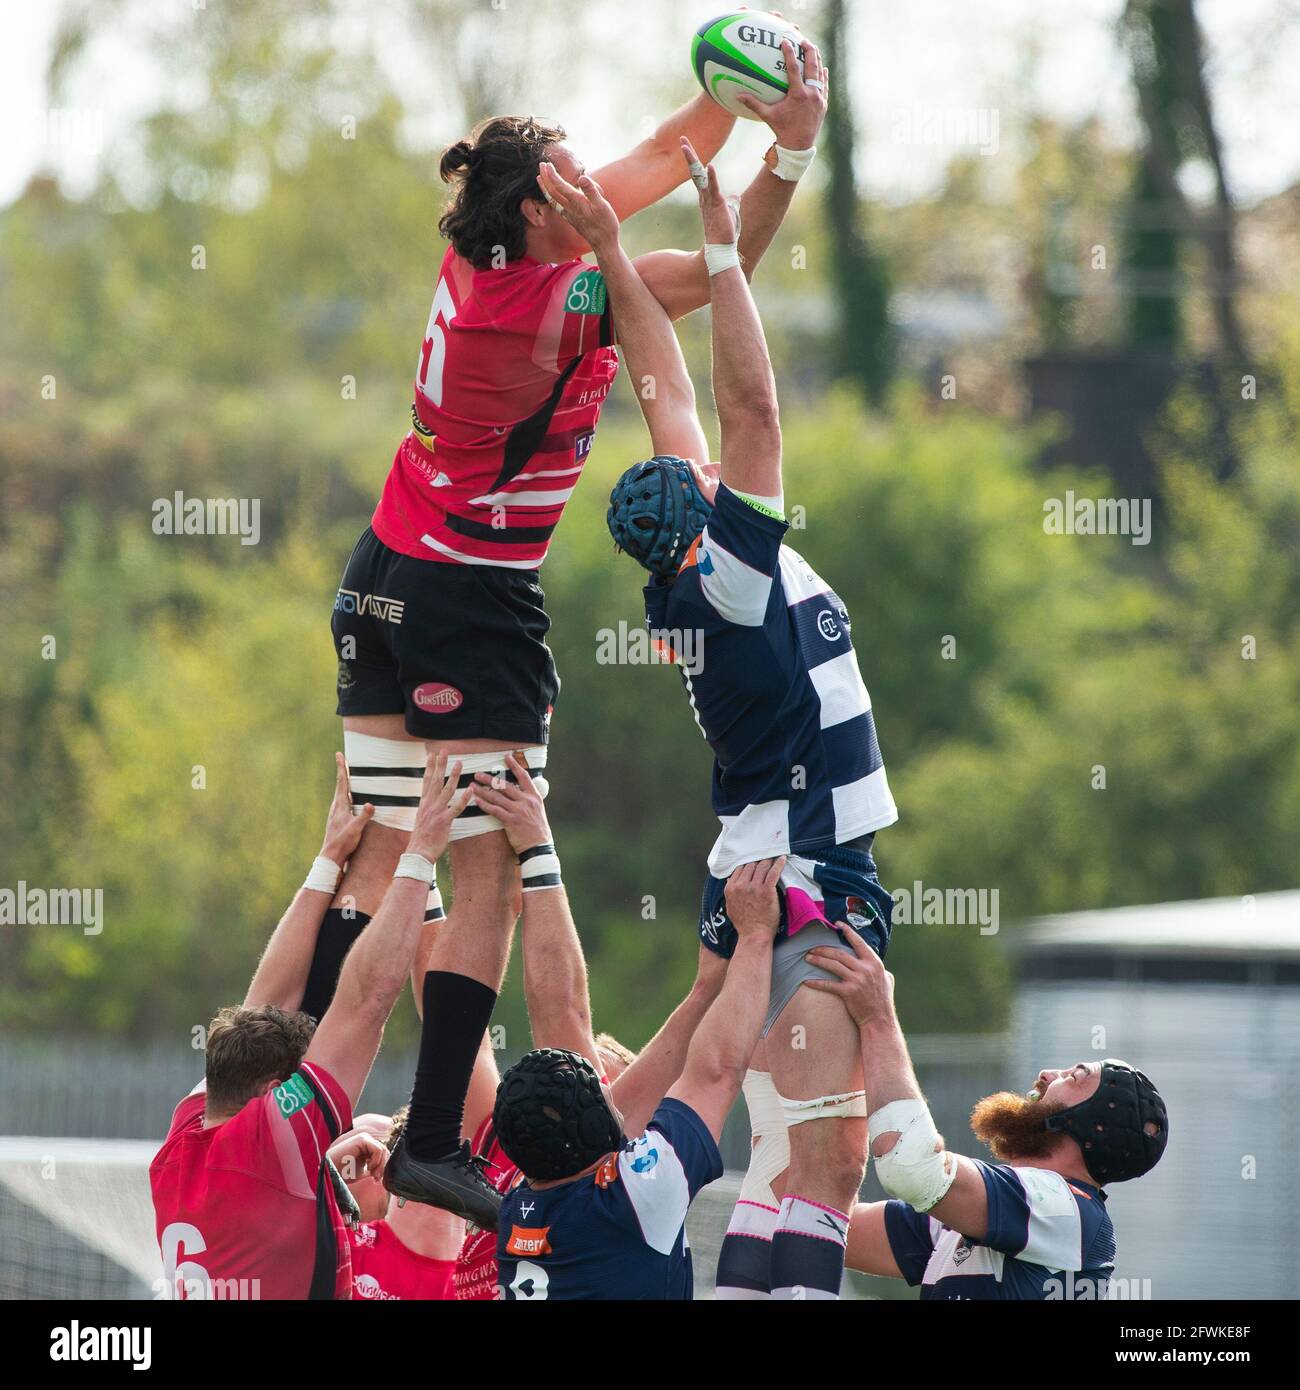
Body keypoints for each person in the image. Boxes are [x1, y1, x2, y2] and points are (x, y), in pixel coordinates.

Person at [334, 49, 829, 1230]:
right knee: (487, 866)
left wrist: (771, 120)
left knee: (379, 856)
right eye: (567, 186)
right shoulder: (555, 293)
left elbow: (666, 165)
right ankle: (439, 1135)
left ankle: (302, 1089)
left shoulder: (497, 250)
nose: (589, 191)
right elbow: (706, 281)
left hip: (383, 577)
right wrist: (779, 147)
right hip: (470, 595)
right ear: (538, 213)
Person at [539, 112, 893, 1299]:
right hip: (806, 863)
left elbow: (666, 381)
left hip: (769, 852)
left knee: (803, 1151)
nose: (701, 456)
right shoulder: (732, 588)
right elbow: (752, 413)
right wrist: (726, 255)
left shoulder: (692, 562)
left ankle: (566, 1185)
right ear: (705, 514)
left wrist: (603, 244)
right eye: (706, 478)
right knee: (816, 1158)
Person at [149, 751, 469, 1300]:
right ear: (274, 1093)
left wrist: (330, 862)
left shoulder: (183, 1143)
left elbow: (270, 1007)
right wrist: (418, 857)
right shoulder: (258, 1138)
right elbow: (363, 1000)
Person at [453, 754, 729, 1299]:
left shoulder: (515, 1175)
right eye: (609, 1085)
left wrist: (419, 861)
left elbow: (493, 1014)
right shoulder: (608, 1189)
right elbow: (563, 1015)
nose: (617, 1091)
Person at [806, 929, 1170, 1300]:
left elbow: (911, 1167)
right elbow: (821, 1228)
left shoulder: (1066, 1207)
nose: (1047, 1075)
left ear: (1093, 1126)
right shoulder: (979, 1217)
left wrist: (878, 1018)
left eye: (1074, 1077)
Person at [491, 858, 784, 1300]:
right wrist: (757, 934)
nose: (612, 1090)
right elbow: (716, 1071)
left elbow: (603, 1123)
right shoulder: (638, 1195)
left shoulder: (520, 1204)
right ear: (593, 1129)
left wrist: (707, 989)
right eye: (600, 1091)